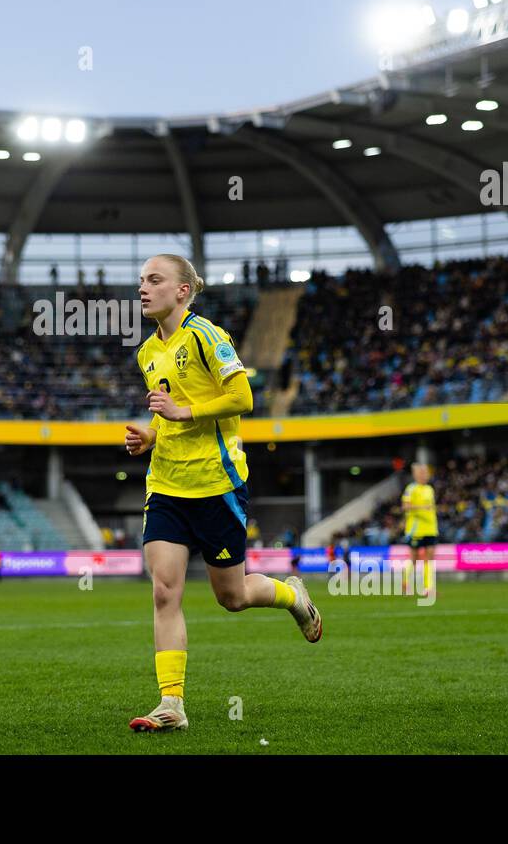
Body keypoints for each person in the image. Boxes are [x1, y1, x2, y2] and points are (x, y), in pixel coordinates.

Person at [123, 253, 320, 734]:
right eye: (141, 281)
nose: (143, 288)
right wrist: (151, 434)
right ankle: (172, 705)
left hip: (217, 485)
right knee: (164, 590)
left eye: (155, 280)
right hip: (166, 486)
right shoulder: (147, 352)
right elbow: (164, 409)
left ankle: (293, 596)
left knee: (231, 597)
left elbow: (243, 398)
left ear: (182, 290)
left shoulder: (208, 335)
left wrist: (182, 412)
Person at [401, 463, 438, 595]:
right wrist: (421, 508)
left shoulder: (429, 489)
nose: (424, 475)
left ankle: (428, 588)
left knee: (430, 556)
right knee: (414, 557)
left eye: (426, 473)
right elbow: (405, 507)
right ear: (415, 475)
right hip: (416, 529)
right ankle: (405, 581)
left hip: (431, 528)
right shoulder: (411, 489)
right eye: (421, 473)